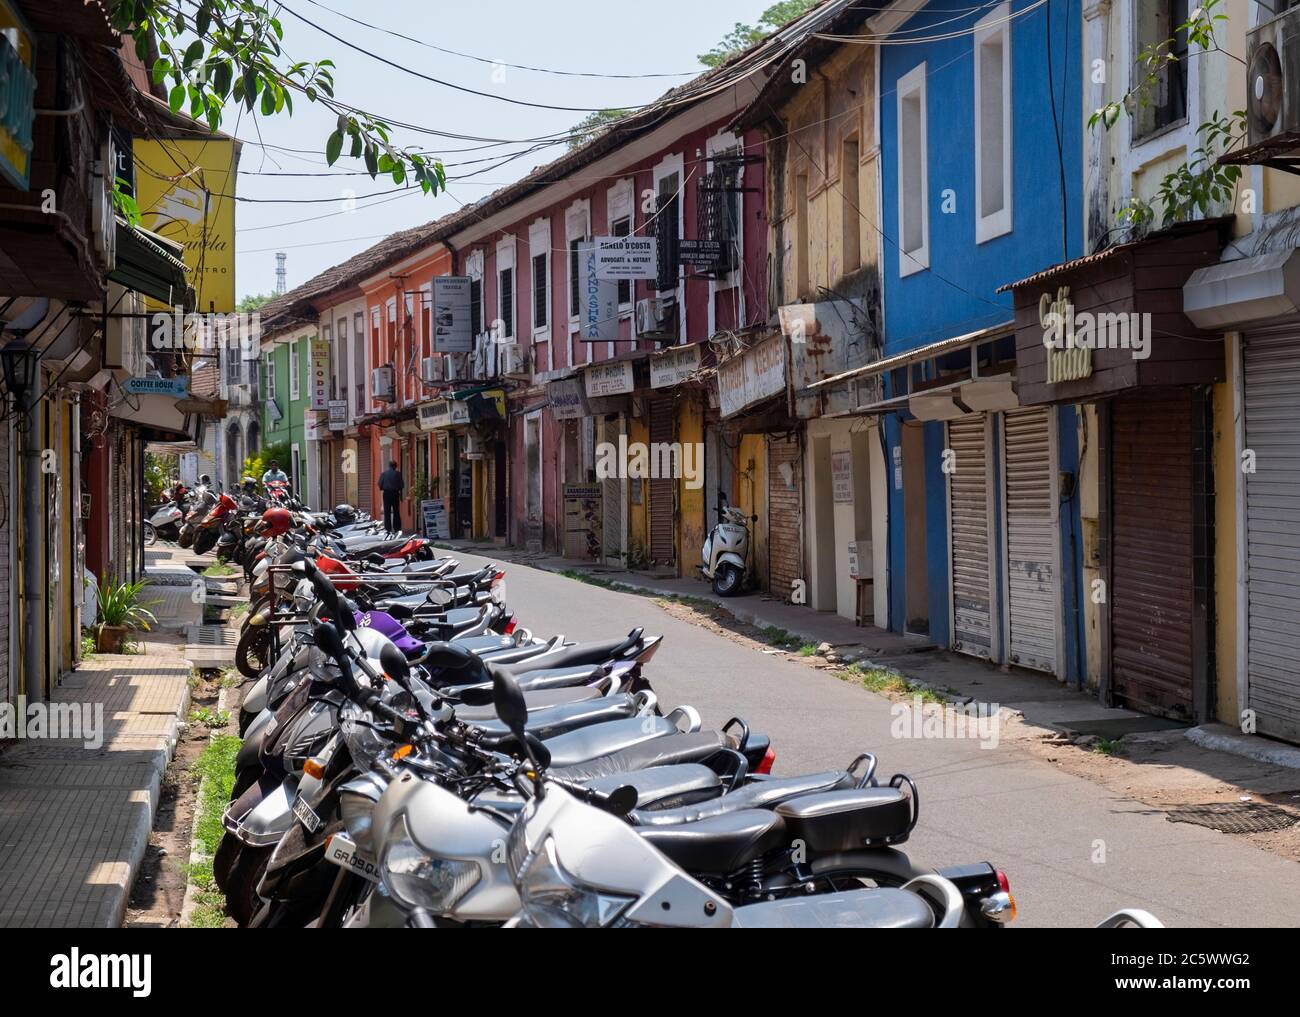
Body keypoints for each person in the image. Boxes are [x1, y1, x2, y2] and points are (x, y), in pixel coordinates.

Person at [378, 459, 404, 534]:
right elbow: (401, 485)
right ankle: (397, 528)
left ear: (389, 466)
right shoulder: (398, 474)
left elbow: (380, 484)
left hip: (386, 494)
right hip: (395, 493)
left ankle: (388, 529)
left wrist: (384, 488)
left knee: (387, 512)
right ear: (396, 466)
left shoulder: (384, 474)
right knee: (396, 511)